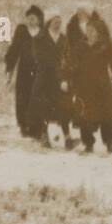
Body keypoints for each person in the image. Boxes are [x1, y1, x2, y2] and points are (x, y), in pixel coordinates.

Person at [61, 4, 112, 154]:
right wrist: (65, 79)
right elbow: (70, 64)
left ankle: (111, 142)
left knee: (108, 115)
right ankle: (88, 144)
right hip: (84, 85)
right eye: (88, 30)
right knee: (85, 116)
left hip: (103, 85)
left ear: (99, 31)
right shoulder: (80, 46)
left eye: (93, 30)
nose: (90, 32)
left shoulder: (106, 46)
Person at [27, 9, 74, 149]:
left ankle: (67, 138)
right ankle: (44, 136)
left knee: (64, 107)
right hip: (44, 78)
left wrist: (65, 76)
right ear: (49, 23)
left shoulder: (64, 39)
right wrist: (56, 64)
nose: (57, 25)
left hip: (60, 79)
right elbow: (38, 57)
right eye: (55, 22)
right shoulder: (39, 38)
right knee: (43, 108)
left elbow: (68, 58)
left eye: (59, 22)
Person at [4, 5, 43, 138]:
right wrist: (9, 67)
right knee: (23, 97)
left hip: (39, 71)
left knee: (37, 98)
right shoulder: (21, 31)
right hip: (24, 70)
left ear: (38, 19)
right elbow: (14, 49)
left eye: (33, 18)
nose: (30, 21)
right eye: (28, 18)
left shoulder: (43, 32)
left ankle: (36, 128)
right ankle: (24, 126)